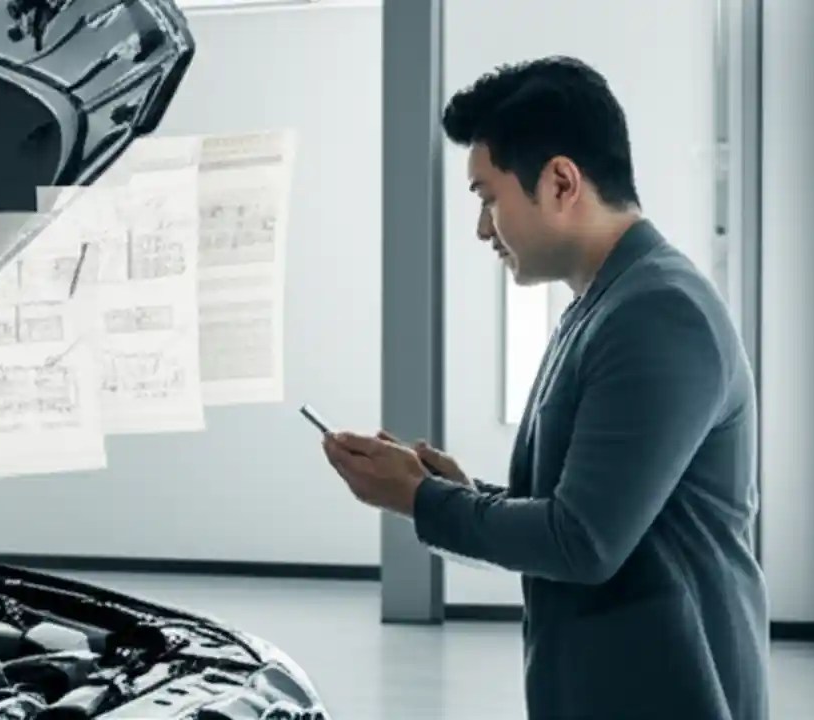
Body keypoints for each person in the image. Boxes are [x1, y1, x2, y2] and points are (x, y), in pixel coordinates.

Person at [321, 56, 770, 720]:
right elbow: (591, 506)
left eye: (487, 197)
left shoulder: (659, 313)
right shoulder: (604, 306)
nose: (481, 229)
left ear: (561, 181)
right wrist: (454, 492)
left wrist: (420, 500)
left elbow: (582, 540)